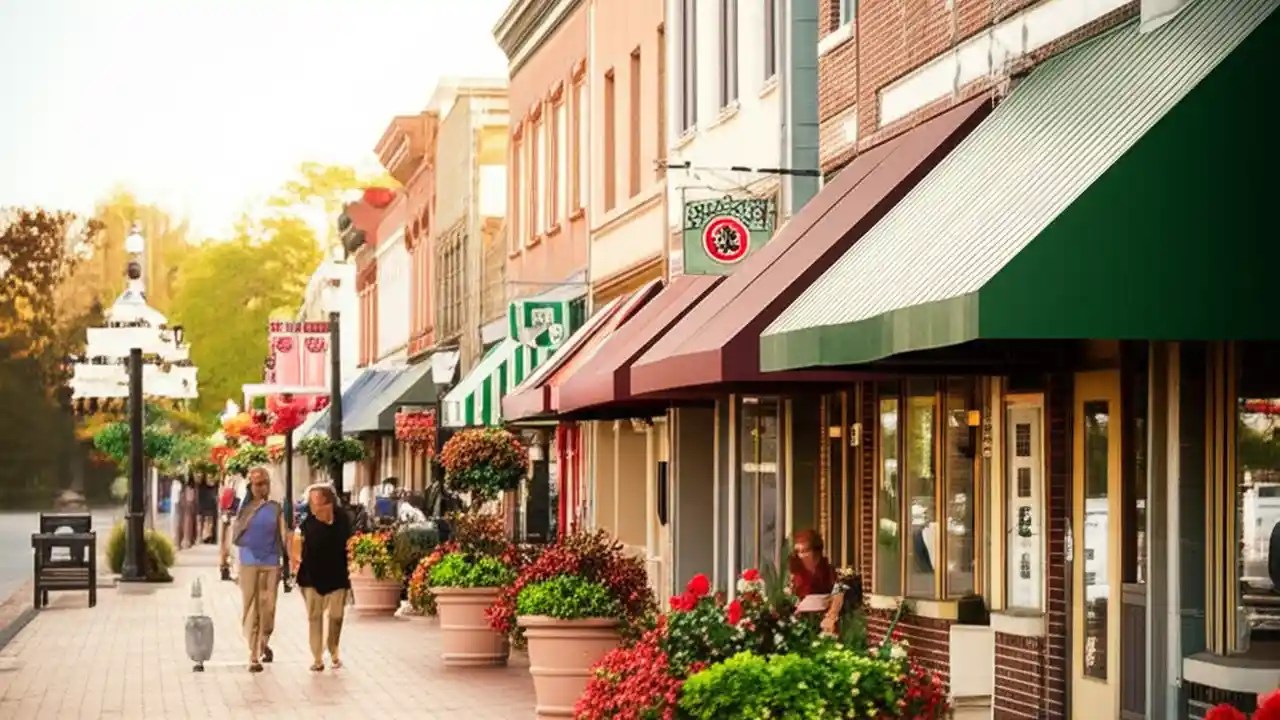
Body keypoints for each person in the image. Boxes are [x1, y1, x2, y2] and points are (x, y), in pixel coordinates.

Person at [232, 467, 289, 673]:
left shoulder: (276, 508)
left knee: (268, 606)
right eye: (256, 484)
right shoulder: (244, 508)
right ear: (250, 485)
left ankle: (263, 640)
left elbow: (284, 536)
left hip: (271, 560)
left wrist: (288, 563)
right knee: (251, 607)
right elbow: (234, 535)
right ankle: (253, 653)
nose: (261, 487)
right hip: (248, 561)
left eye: (264, 483)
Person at [292, 483, 352, 672]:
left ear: (329, 504)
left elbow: (349, 544)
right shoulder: (306, 525)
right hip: (311, 576)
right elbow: (297, 551)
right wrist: (295, 567)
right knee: (314, 617)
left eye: (318, 503)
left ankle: (333, 648)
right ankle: (317, 658)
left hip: (338, 575)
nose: (314, 508)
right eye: (312, 504)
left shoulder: (343, 520)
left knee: (336, 615)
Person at [790, 529, 837, 601]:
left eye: (805, 551)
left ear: (816, 551)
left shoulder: (829, 571)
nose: (801, 556)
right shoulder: (794, 571)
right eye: (798, 552)